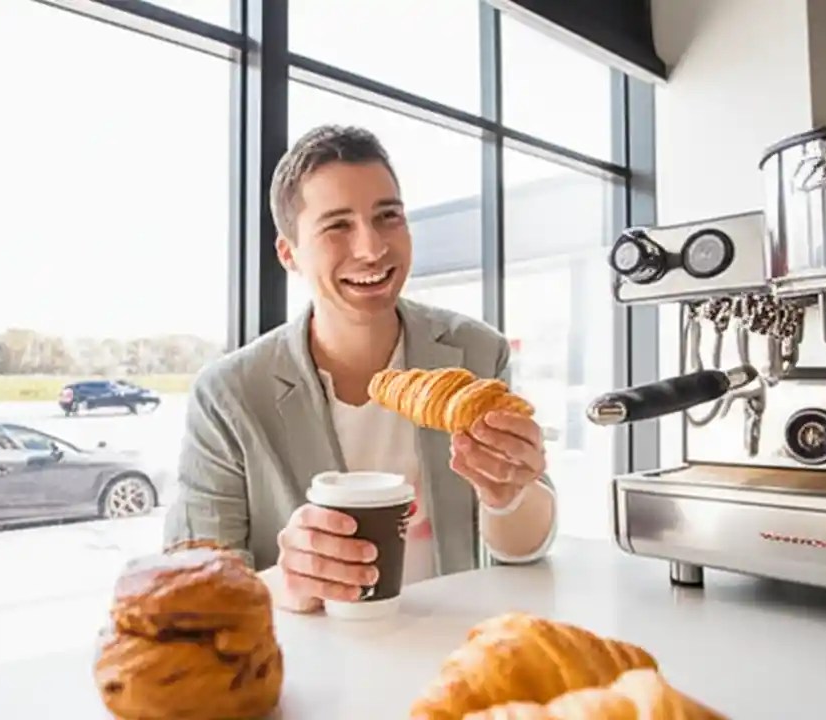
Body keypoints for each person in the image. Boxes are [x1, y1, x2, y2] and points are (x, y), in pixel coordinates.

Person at [163, 125, 557, 613]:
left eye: (387, 216)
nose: (371, 249)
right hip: (314, 673)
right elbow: (193, 585)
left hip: (455, 649)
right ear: (289, 253)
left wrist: (508, 496)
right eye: (337, 226)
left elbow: (524, 551)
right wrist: (286, 583)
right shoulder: (229, 395)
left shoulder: (476, 354)